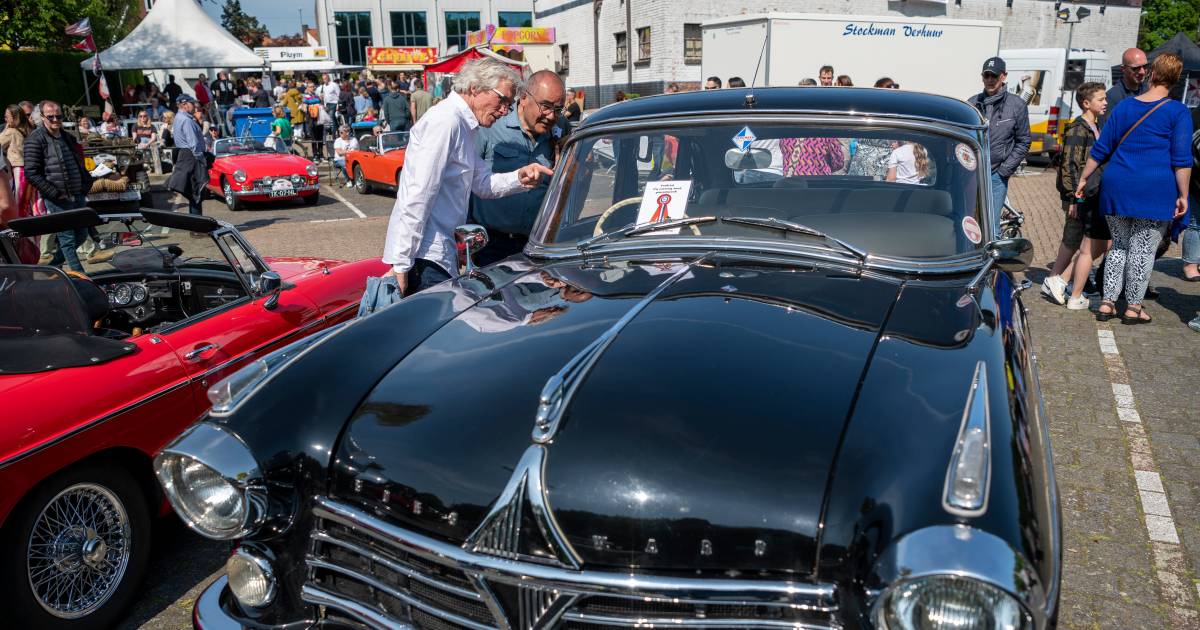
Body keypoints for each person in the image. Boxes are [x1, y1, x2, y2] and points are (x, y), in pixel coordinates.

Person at [381, 58, 554, 296]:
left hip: (438, 256)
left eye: (509, 103)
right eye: (502, 100)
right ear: (475, 88)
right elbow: (417, 195)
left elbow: (482, 184)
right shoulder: (446, 121)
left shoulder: (464, 126)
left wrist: (519, 178)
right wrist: (401, 265)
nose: (505, 110)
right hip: (423, 259)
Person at [1074, 53, 1192, 324]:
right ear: (1175, 81)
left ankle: (1106, 303)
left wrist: (1083, 178)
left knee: (1119, 245)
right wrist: (1183, 195)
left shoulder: (1125, 107)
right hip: (1155, 187)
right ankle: (1133, 307)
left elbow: (1102, 148)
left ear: (1151, 74)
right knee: (1143, 250)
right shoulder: (1177, 112)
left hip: (1118, 184)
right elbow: (1182, 160)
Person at [469, 70, 566, 266]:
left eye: (558, 109)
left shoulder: (561, 128)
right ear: (523, 97)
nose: (551, 115)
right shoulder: (491, 125)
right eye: (545, 106)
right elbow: (464, 181)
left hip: (538, 244)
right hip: (491, 245)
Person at [1043, 82, 1109, 308]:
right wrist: (1074, 198)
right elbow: (1069, 166)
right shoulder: (1078, 128)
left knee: (1082, 240)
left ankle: (1057, 280)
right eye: (1101, 99)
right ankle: (1055, 279)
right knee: (1073, 238)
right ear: (1086, 103)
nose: (1105, 102)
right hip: (1078, 196)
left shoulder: (1096, 126)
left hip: (1089, 193)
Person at [23, 100, 94, 273]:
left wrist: (85, 184)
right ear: (42, 117)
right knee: (67, 239)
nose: (55, 119)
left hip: (77, 194)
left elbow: (78, 163)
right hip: (57, 198)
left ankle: (54, 267)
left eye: (58, 115)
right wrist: (53, 193)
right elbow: (31, 173)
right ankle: (80, 277)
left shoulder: (67, 136)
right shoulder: (35, 139)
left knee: (82, 235)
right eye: (50, 116)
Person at [967, 57, 1031, 215]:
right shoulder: (972, 103)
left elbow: (1023, 141)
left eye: (994, 76)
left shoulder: (1017, 105)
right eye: (986, 76)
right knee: (967, 220)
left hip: (997, 175)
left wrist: (1004, 171)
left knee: (991, 227)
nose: (989, 80)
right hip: (971, 174)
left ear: (1003, 76)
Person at [167, 95, 208, 216]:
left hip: (186, 155)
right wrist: (202, 160)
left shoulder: (180, 117)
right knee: (196, 192)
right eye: (192, 103)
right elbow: (193, 143)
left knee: (193, 192)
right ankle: (197, 228)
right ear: (185, 105)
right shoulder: (186, 120)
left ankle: (196, 226)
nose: (194, 106)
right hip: (191, 156)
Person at [1, 104, 37, 228]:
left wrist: (6, 128)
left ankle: (21, 238)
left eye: (6, 117)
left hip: (18, 171)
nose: (5, 119)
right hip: (31, 170)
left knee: (19, 205)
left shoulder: (10, 131)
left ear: (14, 117)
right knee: (31, 206)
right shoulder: (30, 129)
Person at [1103, 48, 1148, 125]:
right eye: (1136, 68)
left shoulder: (1148, 91)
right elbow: (1107, 131)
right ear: (1123, 69)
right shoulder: (1113, 96)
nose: (1142, 72)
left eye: (1145, 66)